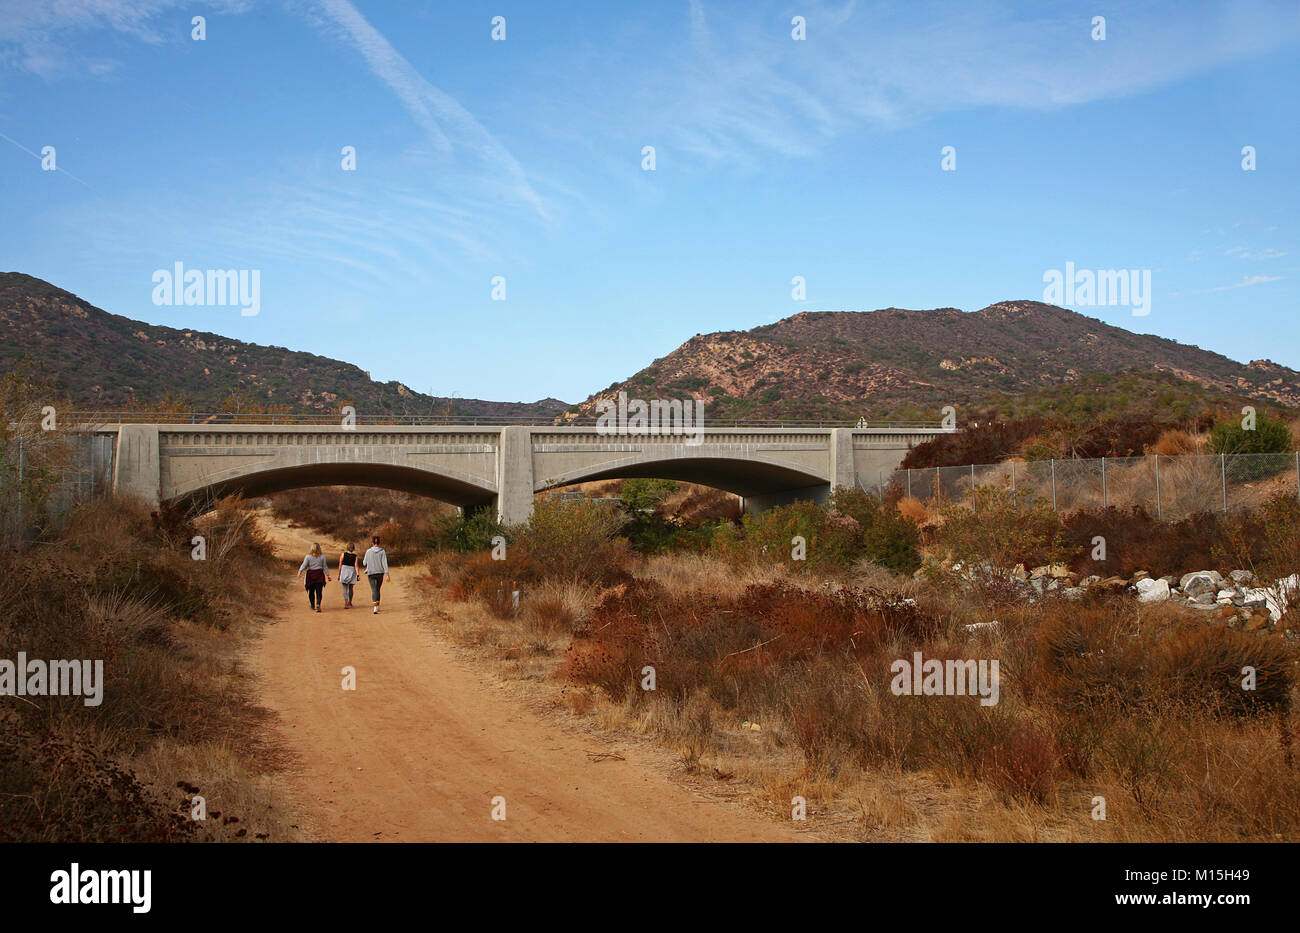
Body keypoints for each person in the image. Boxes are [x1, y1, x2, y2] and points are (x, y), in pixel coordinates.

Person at [296, 543, 331, 613]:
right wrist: (328, 575)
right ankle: (318, 604)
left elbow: (304, 565)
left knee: (311, 591)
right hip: (319, 575)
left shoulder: (308, 557)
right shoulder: (322, 557)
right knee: (319, 592)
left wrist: (299, 572)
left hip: (310, 575)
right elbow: (325, 567)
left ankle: (312, 605)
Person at [361, 535, 391, 614]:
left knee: (373, 589)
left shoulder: (368, 551)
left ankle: (375, 606)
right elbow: (385, 563)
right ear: (379, 542)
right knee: (377, 589)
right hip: (380, 573)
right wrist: (387, 574)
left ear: (372, 542)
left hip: (371, 573)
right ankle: (377, 606)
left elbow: (364, 563)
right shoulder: (382, 551)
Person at [338, 542, 359, 609]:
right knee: (351, 588)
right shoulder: (355, 556)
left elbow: (340, 565)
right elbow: (356, 566)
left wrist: (339, 574)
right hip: (352, 571)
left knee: (345, 588)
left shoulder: (343, 554)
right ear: (353, 548)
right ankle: (350, 602)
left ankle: (346, 601)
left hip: (344, 570)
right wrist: (358, 574)